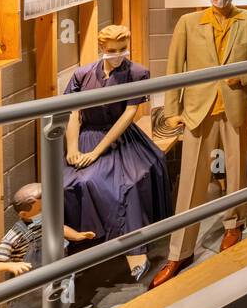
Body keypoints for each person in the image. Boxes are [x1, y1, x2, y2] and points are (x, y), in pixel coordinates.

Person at [150, 0, 247, 289]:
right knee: (191, 180)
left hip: (234, 107)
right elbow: (175, 66)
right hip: (197, 110)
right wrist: (172, 110)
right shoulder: (189, 24)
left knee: (236, 171)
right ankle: (180, 251)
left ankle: (234, 222)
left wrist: (243, 76)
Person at [62, 24, 172, 282]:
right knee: (69, 184)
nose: (117, 54)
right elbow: (73, 112)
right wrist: (72, 148)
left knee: (124, 185)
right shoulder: (82, 74)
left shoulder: (137, 73)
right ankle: (79, 248)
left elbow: (129, 114)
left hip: (119, 138)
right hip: (86, 135)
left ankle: (134, 251)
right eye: (112, 50)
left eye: (122, 49)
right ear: (102, 48)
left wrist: (98, 152)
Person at [0, 183, 94, 308]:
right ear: (24, 214)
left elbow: (61, 228)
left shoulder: (46, 221)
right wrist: (11, 266)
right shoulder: (16, 235)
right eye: (41, 209)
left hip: (58, 276)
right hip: (29, 288)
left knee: (60, 306)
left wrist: (77, 236)